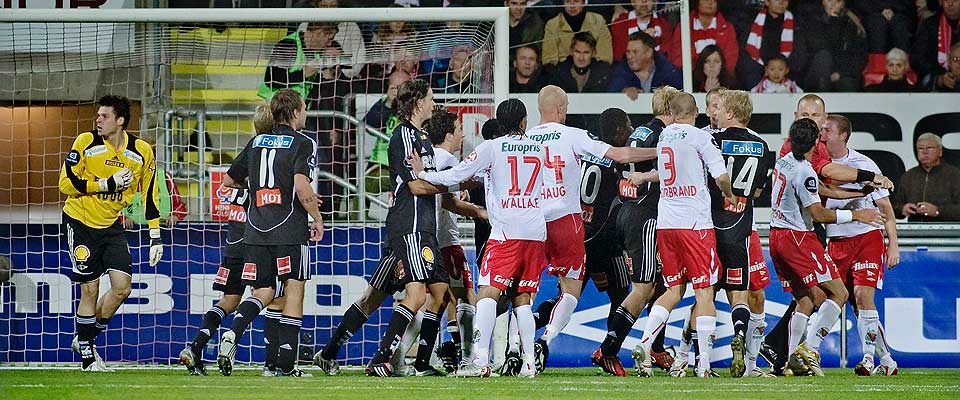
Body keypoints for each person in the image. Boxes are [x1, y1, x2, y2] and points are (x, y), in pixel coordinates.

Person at [312, 79, 484, 377]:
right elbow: (417, 186)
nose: (434, 103)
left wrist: (452, 186)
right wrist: (456, 182)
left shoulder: (424, 140)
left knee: (380, 296)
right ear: (418, 102)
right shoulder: (403, 135)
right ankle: (384, 358)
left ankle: (328, 354)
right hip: (411, 226)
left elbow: (429, 181)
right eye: (431, 98)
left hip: (421, 227)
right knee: (418, 295)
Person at [759, 93, 895, 375]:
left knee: (808, 299)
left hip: (780, 235)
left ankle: (787, 360)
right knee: (839, 293)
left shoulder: (789, 160)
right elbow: (820, 206)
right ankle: (806, 350)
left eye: (815, 114)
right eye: (805, 114)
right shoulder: (809, 165)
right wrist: (861, 199)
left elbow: (823, 189)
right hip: (802, 236)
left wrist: (856, 192)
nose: (810, 119)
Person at [412, 99, 545, 378]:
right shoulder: (539, 147)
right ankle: (529, 364)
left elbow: (457, 174)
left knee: (486, 293)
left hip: (507, 231)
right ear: (523, 121)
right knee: (522, 296)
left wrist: (422, 172)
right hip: (535, 230)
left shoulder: (492, 148)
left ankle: (479, 361)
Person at [529, 85, 658, 373]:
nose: (631, 130)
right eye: (626, 126)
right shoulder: (596, 149)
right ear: (616, 132)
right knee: (623, 293)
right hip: (600, 240)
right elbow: (624, 171)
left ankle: (522, 333)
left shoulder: (573, 149)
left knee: (558, 295)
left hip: (561, 229)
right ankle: (608, 351)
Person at [216, 89, 325, 378]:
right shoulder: (303, 143)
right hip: (289, 228)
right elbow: (302, 188)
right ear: (294, 112)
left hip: (255, 230)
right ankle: (287, 367)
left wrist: (263, 191)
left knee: (264, 291)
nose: (305, 113)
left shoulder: (256, 142)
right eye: (303, 108)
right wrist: (316, 218)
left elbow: (229, 181)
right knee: (293, 290)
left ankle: (235, 331)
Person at [631, 92, 736, 379]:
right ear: (697, 112)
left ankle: (644, 343)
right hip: (695, 225)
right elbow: (721, 175)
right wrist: (729, 194)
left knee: (673, 290)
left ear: (672, 113)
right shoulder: (701, 137)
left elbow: (666, 174)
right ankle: (702, 365)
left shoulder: (665, 137)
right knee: (704, 292)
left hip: (667, 224)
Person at [59, 95, 164, 371]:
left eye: (104, 116)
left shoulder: (142, 151)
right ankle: (86, 357)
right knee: (90, 289)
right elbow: (65, 183)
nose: (98, 120)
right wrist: (105, 183)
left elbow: (149, 193)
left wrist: (155, 235)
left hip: (111, 225)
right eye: (98, 115)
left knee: (122, 288)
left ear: (120, 121)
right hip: (80, 222)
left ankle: (85, 338)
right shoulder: (86, 142)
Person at [178, 103, 274, 376]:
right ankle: (233, 338)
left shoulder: (249, 149)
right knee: (267, 293)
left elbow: (226, 184)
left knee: (229, 300)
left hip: (234, 237)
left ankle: (196, 347)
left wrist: (244, 192)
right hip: (257, 237)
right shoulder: (271, 149)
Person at [593, 86, 681, 377]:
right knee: (643, 289)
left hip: (628, 211)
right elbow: (667, 173)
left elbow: (621, 167)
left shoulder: (640, 131)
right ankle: (608, 349)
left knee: (659, 286)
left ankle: (656, 347)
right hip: (646, 217)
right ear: (673, 109)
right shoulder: (665, 136)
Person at [821, 114, 901, 376]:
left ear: (843, 135)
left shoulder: (862, 163)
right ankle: (887, 359)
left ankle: (867, 358)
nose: (822, 134)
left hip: (866, 237)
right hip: (836, 240)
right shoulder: (819, 163)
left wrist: (893, 245)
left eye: (828, 130)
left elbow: (885, 208)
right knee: (851, 304)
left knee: (863, 297)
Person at [709, 90, 776, 378]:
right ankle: (742, 341)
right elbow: (759, 190)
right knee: (740, 294)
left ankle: (693, 360)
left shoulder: (713, 141)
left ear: (731, 113)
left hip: (710, 228)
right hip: (740, 231)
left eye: (720, 107)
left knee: (704, 295)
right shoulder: (762, 146)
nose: (716, 112)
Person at [421, 107, 478, 372]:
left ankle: (428, 355)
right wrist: (480, 211)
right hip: (445, 241)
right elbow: (453, 198)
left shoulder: (427, 158)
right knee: (466, 296)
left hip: (423, 239)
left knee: (436, 299)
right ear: (448, 134)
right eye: (459, 130)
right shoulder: (449, 162)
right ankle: (468, 357)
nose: (462, 135)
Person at [791, 0, 867, 92]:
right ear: (823, 2)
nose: (833, 4)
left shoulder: (853, 23)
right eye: (829, 0)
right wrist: (833, 22)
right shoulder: (812, 21)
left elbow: (861, 57)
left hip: (844, 73)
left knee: (847, 83)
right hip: (816, 73)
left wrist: (841, 74)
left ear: (843, 3)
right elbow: (818, 49)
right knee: (823, 57)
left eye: (838, 1)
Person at [891, 133, 960, 221]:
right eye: (920, 148)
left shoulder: (954, 175)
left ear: (940, 151)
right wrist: (903, 209)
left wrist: (937, 211)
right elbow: (894, 205)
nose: (924, 152)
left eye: (929, 148)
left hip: (947, 232)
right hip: (914, 232)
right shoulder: (909, 176)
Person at [669, 0, 740, 76]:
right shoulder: (683, 27)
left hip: (720, 80)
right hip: (690, 80)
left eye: (714, 0)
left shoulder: (728, 28)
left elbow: (730, 60)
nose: (710, 2)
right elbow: (678, 59)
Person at [738, 0, 797, 90]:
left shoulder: (795, 23)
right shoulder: (752, 20)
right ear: (766, 2)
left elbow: (799, 55)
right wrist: (766, 70)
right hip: (758, 69)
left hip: (784, 71)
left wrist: (780, 69)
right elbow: (746, 51)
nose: (781, 2)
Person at [608, 31, 683, 100]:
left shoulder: (668, 71)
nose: (629, 56)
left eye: (635, 52)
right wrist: (622, 91)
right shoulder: (620, 72)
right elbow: (610, 93)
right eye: (628, 52)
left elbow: (681, 92)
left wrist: (668, 90)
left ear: (649, 53)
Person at [542, 0, 614, 65]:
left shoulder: (598, 21)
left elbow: (605, 57)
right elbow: (549, 60)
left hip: (594, 72)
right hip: (562, 73)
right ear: (563, 4)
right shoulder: (552, 25)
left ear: (583, 3)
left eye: (576, 1)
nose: (572, 6)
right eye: (567, 1)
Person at [910, 0, 959, 89]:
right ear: (941, 2)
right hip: (937, 76)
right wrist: (940, 76)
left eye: (955, 0)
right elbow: (916, 58)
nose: (950, 3)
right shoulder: (929, 24)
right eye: (946, 0)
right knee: (927, 80)